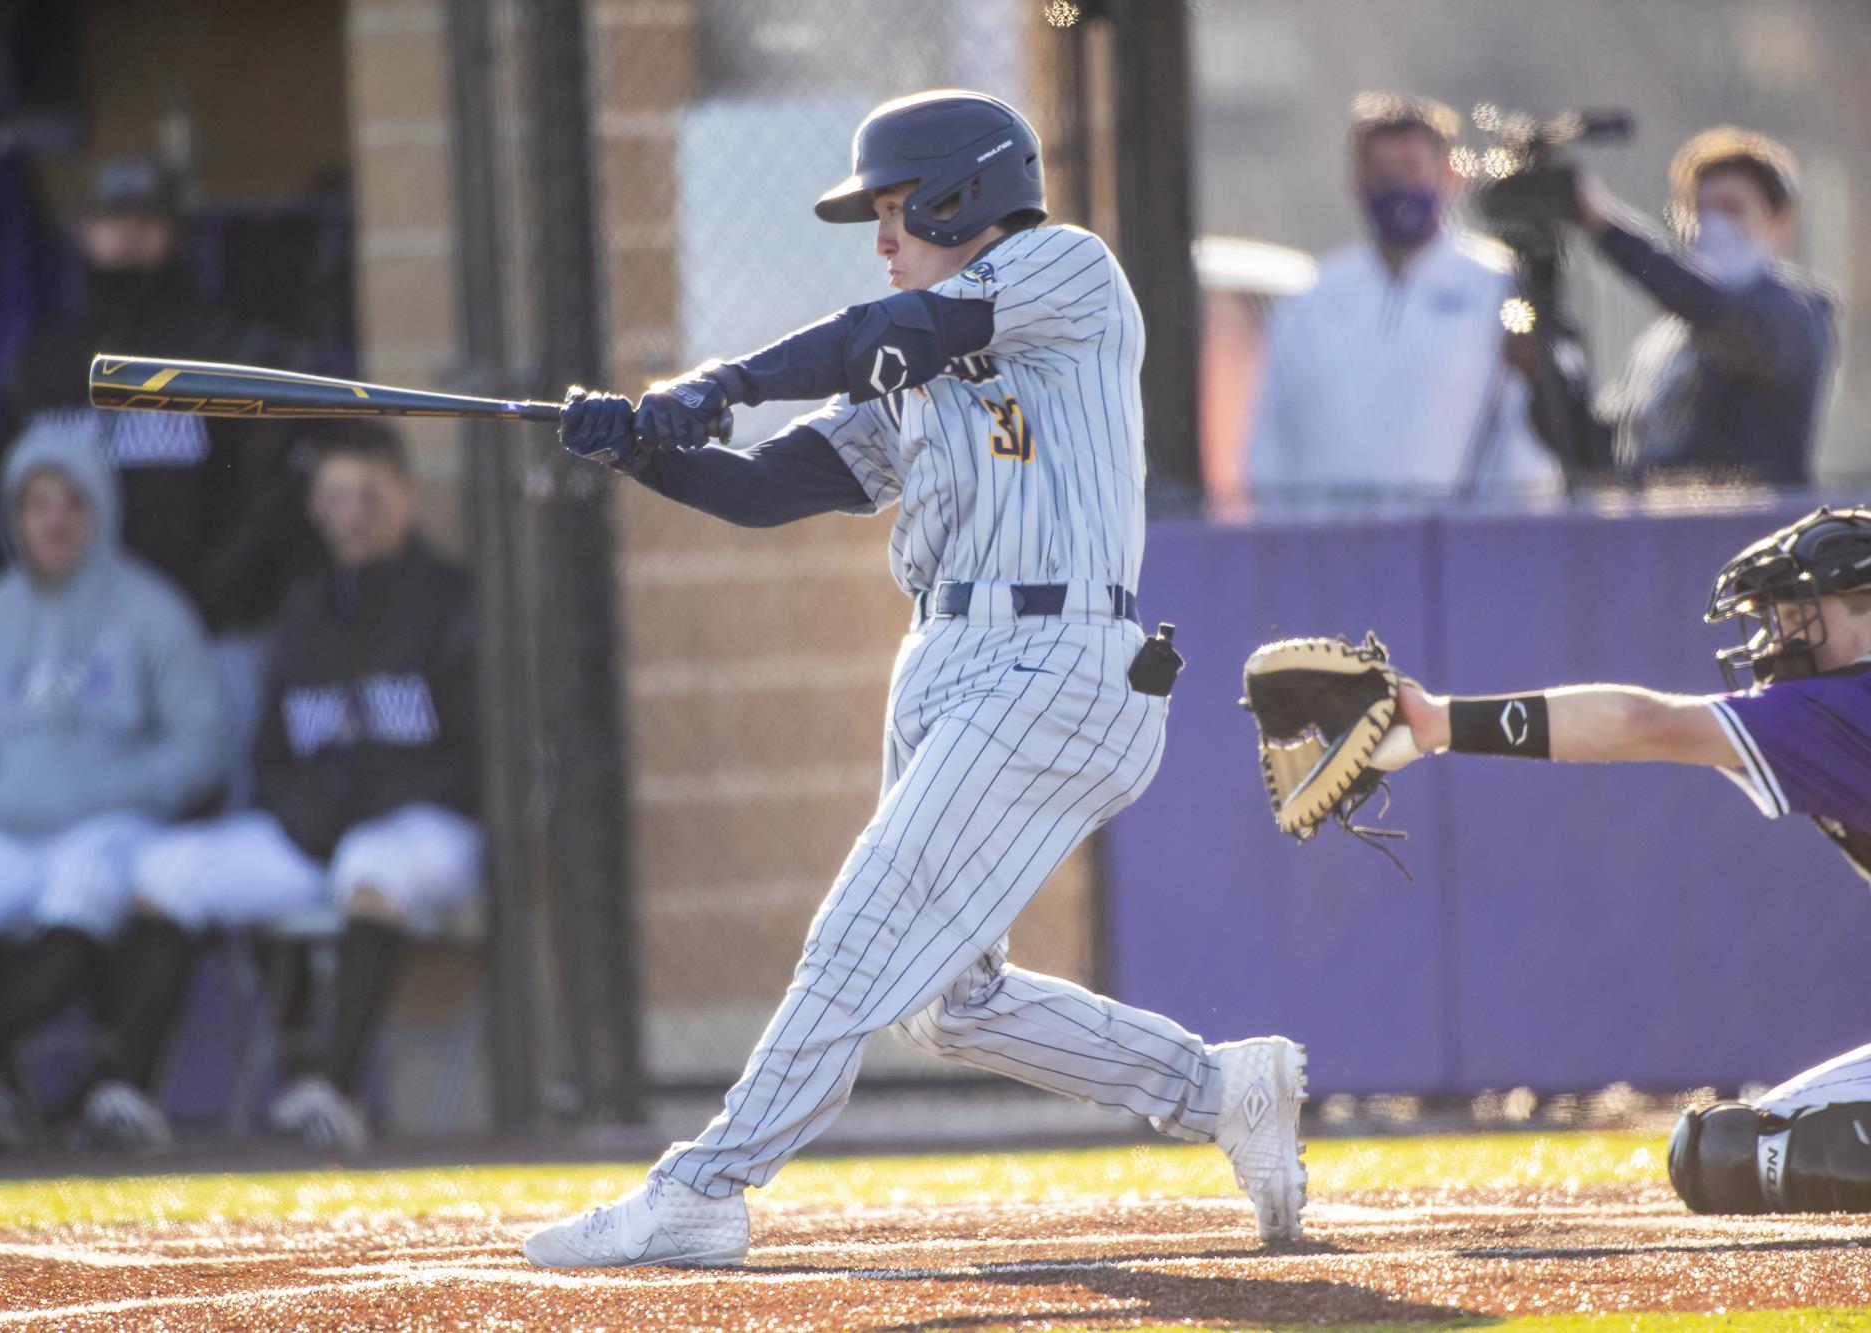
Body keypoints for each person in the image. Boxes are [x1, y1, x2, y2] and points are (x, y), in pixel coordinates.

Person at [522, 89, 1310, 1269]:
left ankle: (705, 1184)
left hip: (1057, 656)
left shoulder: (1063, 270)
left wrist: (719, 382)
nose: (882, 237)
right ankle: (1216, 1089)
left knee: (864, 920)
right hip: (945, 663)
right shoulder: (920, 363)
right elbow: (768, 486)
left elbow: (883, 335)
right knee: (948, 1000)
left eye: (894, 210)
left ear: (961, 192)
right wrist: (644, 447)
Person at [1386, 504, 1871, 1213]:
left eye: (1799, 612)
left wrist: (1441, 723)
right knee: (1727, 1150)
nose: (1776, 636)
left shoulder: (1849, 705)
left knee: (1734, 1156)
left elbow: (1643, 722)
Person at [78, 422, 480, 1153]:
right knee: (167, 870)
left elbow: (474, 754)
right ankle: (127, 1093)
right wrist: (307, 812)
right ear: (314, 509)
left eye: (368, 495)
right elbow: (273, 755)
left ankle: (333, 1089)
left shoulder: (453, 600)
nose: (351, 514)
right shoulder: (305, 610)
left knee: (373, 862)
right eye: (334, 498)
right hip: (317, 831)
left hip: (427, 828)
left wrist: (359, 806)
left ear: (406, 496)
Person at [0, 415, 225, 1149]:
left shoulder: (153, 610)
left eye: (71, 502)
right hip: (5, 824)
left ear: (99, 509)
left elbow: (203, 743)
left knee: (82, 890)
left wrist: (124, 788)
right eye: (37, 503)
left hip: (113, 823)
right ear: (14, 516)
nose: (55, 519)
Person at [0, 157, 321, 806]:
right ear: (83, 233)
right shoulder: (47, 359)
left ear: (174, 234)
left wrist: (196, 598)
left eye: (145, 221)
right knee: (91, 823)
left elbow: (275, 496)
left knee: (223, 816)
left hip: (212, 631)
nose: (127, 237)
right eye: (111, 221)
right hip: (82, 644)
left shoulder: (225, 345)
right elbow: (0, 498)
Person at [1244, 92, 1560, 507]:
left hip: (1455, 557)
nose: (1396, 189)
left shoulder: (1503, 290)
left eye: (1410, 170)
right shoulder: (1313, 301)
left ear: (1449, 175)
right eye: (1380, 174)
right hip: (1331, 558)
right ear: (1355, 184)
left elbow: (1526, 448)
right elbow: (1270, 446)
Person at [1510, 127, 1836, 488]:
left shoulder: (1793, 315)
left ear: (1780, 222)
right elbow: (1605, 454)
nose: (1711, 225)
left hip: (1753, 538)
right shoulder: (1668, 337)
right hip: (1663, 537)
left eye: (1732, 209)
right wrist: (1544, 372)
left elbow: (1716, 314)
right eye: (1697, 210)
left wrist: (1602, 223)